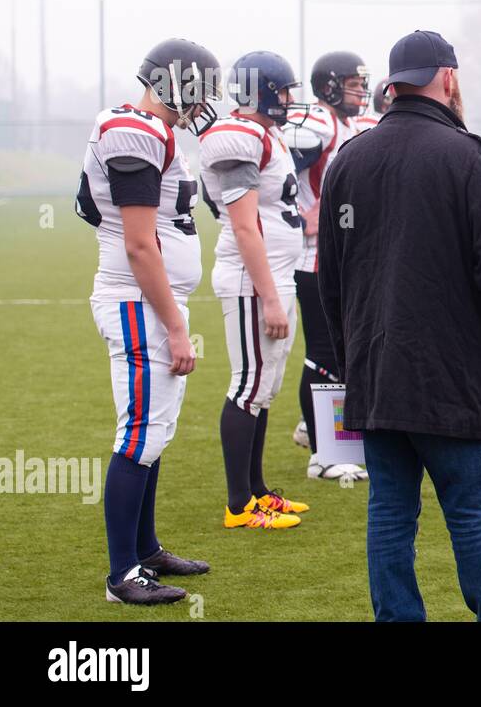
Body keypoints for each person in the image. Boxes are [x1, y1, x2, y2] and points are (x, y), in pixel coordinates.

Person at [317, 29, 481, 622]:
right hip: (453, 375)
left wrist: (352, 359)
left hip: (377, 372)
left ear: (393, 84)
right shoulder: (470, 156)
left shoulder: (349, 158)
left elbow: (328, 280)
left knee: (389, 511)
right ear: (448, 78)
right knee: (470, 513)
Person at [76, 38, 220, 604]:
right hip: (137, 302)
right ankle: (121, 576)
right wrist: (178, 328)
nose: (203, 102)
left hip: (150, 303)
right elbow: (140, 245)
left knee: (154, 432)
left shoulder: (153, 131)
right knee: (138, 435)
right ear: (175, 82)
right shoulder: (132, 128)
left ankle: (145, 549)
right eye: (200, 88)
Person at [200, 50, 309, 530]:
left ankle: (258, 492)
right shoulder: (239, 136)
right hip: (252, 280)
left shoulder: (269, 136)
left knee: (263, 388)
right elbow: (245, 228)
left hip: (275, 276)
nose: (288, 100)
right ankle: (239, 504)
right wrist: (268, 297)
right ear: (259, 90)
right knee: (247, 386)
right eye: (282, 90)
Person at [281, 51, 371, 482]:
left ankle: (316, 430)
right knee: (324, 354)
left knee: (339, 351)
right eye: (353, 83)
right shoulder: (315, 122)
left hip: (335, 254)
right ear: (331, 86)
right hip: (311, 256)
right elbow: (277, 172)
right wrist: (299, 216)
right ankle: (327, 453)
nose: (360, 90)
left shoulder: (345, 123)